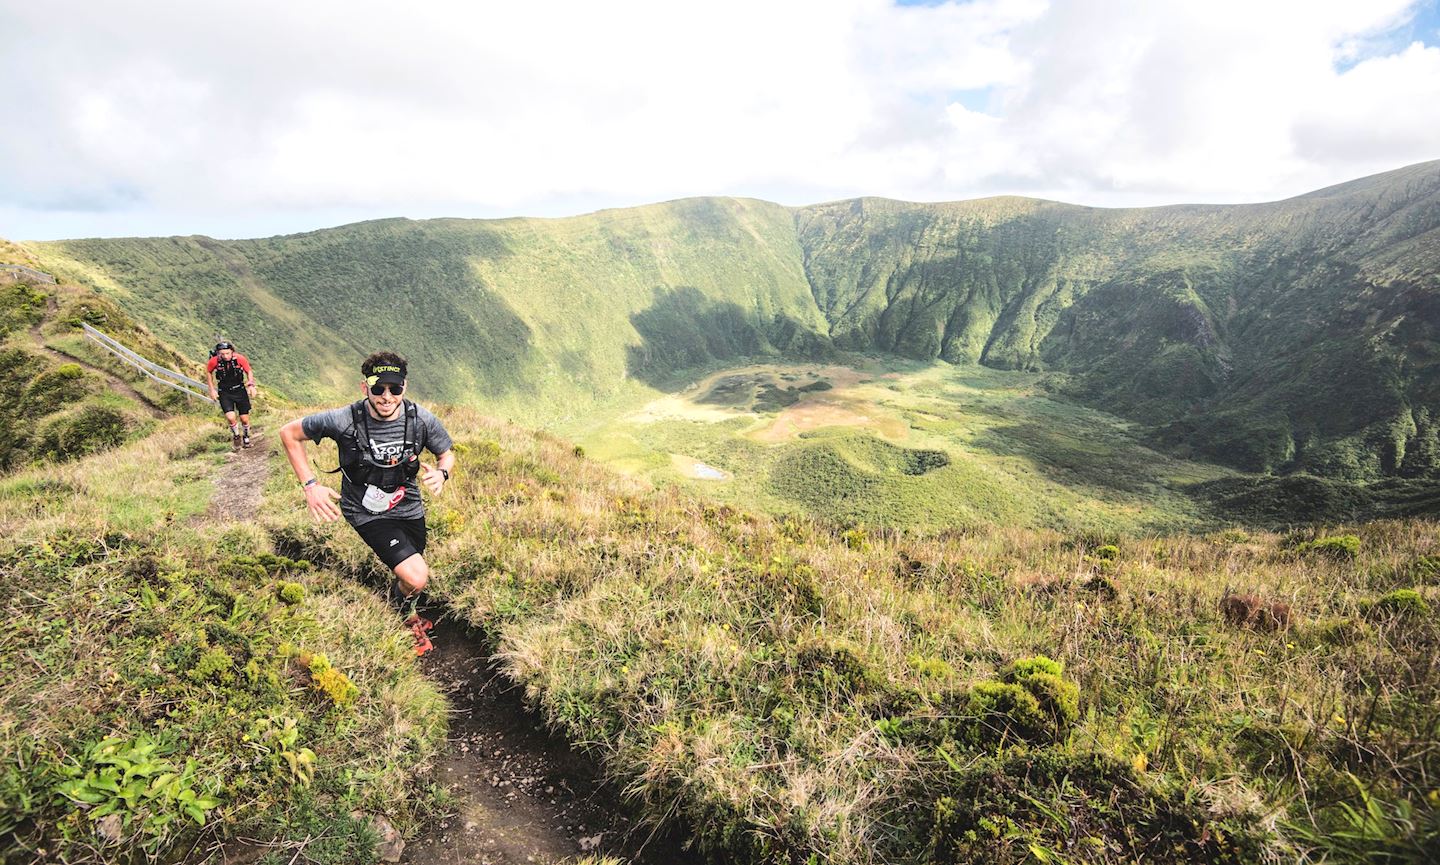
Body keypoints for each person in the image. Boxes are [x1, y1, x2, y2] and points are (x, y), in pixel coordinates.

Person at [278, 351, 455, 654]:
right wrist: (311, 486)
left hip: (408, 504)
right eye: (378, 388)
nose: (387, 396)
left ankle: (403, 602)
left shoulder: (420, 419)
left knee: (411, 575)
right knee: (416, 575)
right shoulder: (344, 419)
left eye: (394, 388)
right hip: (365, 511)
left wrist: (442, 473)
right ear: (365, 388)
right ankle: (406, 618)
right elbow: (289, 434)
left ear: (405, 386)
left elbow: (446, 453)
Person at [207, 341, 258, 448]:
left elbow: (248, 371)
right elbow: (209, 372)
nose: (225, 356)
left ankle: (246, 436)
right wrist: (212, 389)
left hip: (240, 390)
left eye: (228, 353)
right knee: (231, 418)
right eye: (222, 354)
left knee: (244, 419)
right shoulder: (214, 361)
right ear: (218, 353)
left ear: (232, 352)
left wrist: (251, 384)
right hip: (224, 392)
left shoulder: (240, 359)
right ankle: (236, 435)